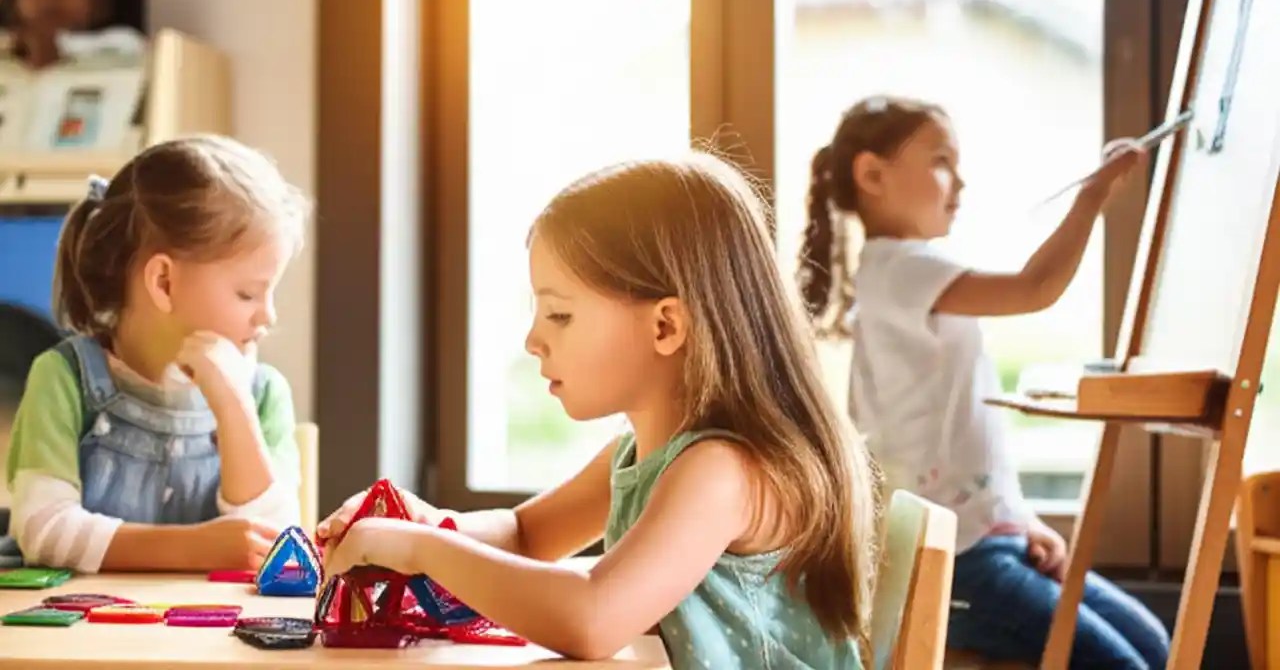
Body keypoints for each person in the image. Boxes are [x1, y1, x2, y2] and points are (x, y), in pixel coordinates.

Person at [319, 152, 881, 667]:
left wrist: (423, 550)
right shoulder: (644, 452)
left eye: (559, 315)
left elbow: (592, 620)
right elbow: (524, 533)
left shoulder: (722, 473)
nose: (533, 340)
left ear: (666, 325)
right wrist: (428, 523)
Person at [799, 95, 1170, 669]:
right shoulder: (900, 271)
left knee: (1153, 647)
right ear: (872, 174)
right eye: (941, 160)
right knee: (1128, 664)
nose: (960, 181)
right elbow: (1034, 288)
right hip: (956, 561)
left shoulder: (909, 274)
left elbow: (959, 432)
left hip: (986, 540)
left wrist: (1019, 520)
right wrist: (1091, 199)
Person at [6, 135, 309, 573]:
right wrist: (194, 549)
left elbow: (277, 552)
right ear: (163, 283)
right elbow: (44, 531)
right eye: (247, 293)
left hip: (213, 638)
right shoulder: (64, 378)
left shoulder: (262, 393)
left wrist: (233, 406)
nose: (269, 315)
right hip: (84, 638)